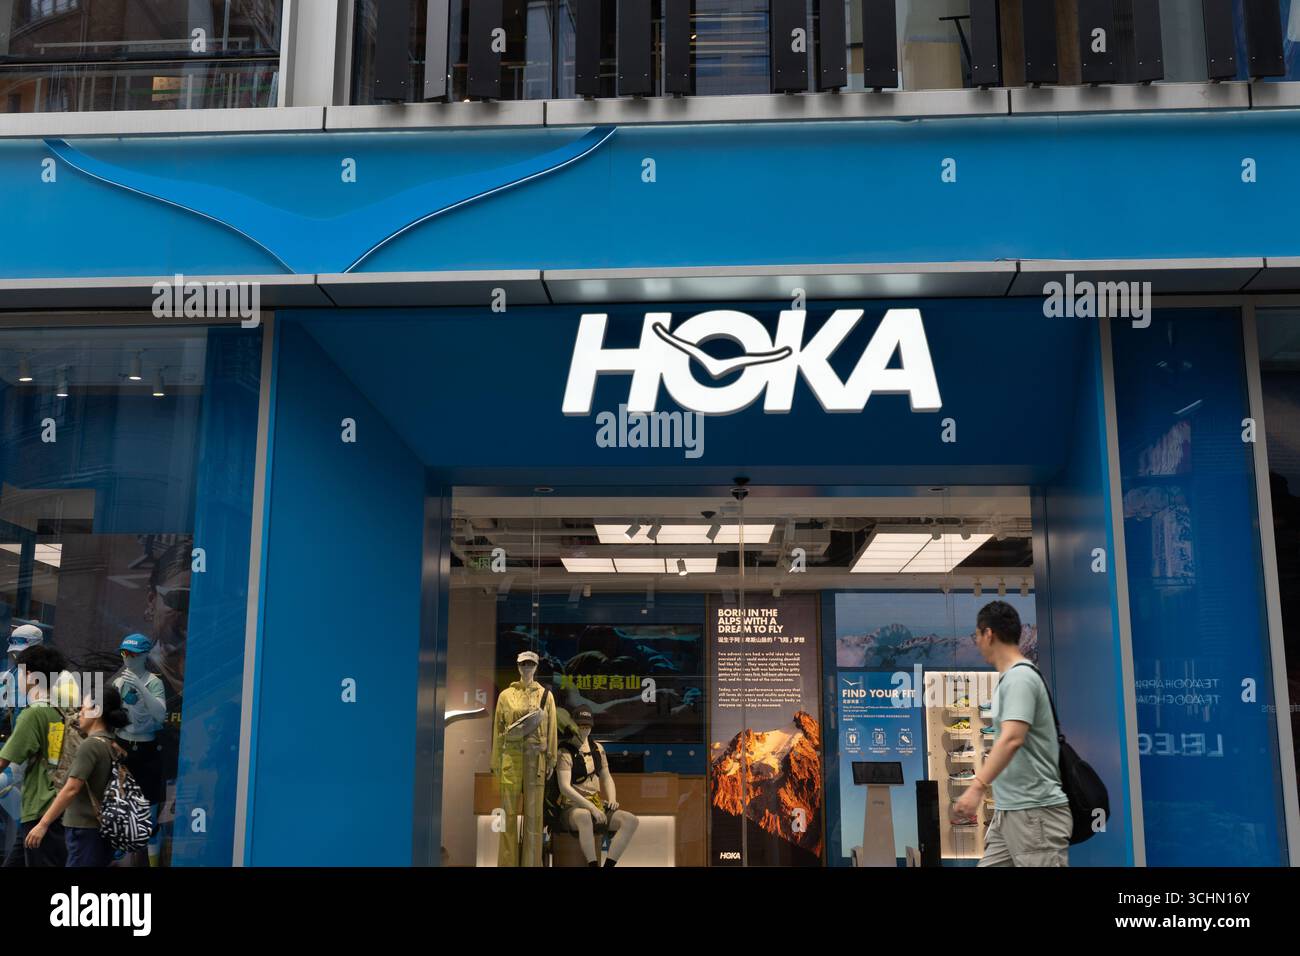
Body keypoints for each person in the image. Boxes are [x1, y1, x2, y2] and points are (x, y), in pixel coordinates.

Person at [952, 601, 1071, 867]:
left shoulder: (1020, 679)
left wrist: (977, 786)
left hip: (1034, 812)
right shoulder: (1012, 679)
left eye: (977, 635)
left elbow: (1012, 738)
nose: (977, 642)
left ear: (989, 634)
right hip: (1011, 811)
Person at [26, 686, 130, 867]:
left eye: (84, 707)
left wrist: (43, 824)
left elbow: (71, 789)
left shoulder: (90, 745)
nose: (80, 712)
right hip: (101, 829)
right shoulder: (109, 743)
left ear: (96, 711)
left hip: (85, 830)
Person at [0, 645, 73, 866]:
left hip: (41, 810)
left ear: (31, 675)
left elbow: (4, 760)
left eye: (21, 673)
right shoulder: (62, 710)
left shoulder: (33, 714)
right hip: (55, 808)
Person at [555, 705, 639, 867]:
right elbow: (564, 787)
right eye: (580, 725)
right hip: (572, 807)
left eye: (587, 726)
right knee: (584, 816)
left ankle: (608, 865)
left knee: (630, 820)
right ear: (573, 725)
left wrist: (612, 798)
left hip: (596, 803)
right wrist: (591, 808)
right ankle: (593, 865)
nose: (584, 729)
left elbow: (607, 777)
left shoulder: (598, 749)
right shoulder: (565, 751)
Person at [111, 634, 167, 808]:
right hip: (121, 745)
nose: (127, 658)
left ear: (145, 655)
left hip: (146, 749)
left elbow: (160, 715)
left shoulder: (154, 683)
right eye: (124, 653)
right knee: (119, 798)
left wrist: (140, 686)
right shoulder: (118, 682)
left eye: (132, 654)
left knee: (147, 800)